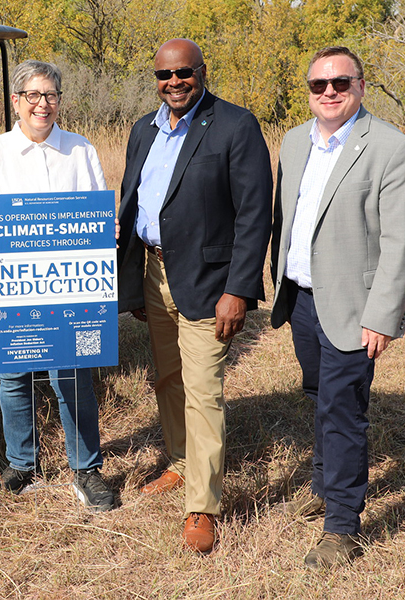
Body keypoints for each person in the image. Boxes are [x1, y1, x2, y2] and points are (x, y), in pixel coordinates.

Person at [271, 46, 405, 569]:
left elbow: (401, 242)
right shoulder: (294, 143)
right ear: (309, 92)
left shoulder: (390, 147)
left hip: (354, 308)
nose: (330, 92)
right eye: (319, 85)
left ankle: (341, 525)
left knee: (342, 411)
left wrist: (381, 316)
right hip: (302, 300)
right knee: (318, 395)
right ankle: (321, 483)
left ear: (360, 85)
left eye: (340, 82)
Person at [116, 39, 273, 552]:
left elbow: (255, 215)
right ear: (155, 80)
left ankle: (202, 508)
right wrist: (131, 284)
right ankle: (181, 463)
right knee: (167, 379)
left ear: (202, 72)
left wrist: (239, 290)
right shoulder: (144, 129)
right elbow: (130, 208)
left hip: (210, 282)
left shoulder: (234, 125)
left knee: (203, 390)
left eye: (184, 72)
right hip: (155, 276)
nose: (174, 82)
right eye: (164, 75)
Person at [0, 60, 114, 512]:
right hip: (8, 283)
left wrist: (109, 227)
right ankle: (21, 465)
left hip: (69, 284)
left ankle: (86, 469)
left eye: (50, 95)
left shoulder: (81, 149)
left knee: (73, 373)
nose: (42, 105)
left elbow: (97, 212)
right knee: (15, 374)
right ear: (16, 101)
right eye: (33, 95)